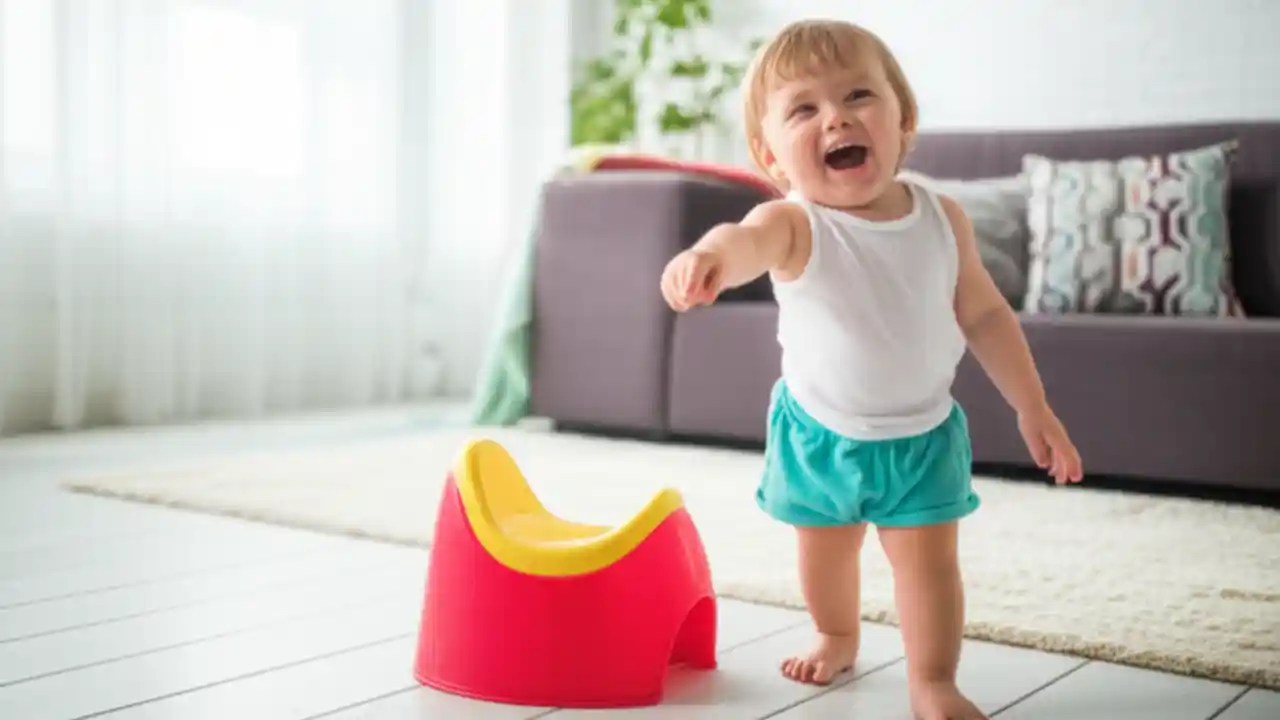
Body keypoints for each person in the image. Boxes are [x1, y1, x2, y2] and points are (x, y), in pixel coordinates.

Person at [658, 18, 1084, 720]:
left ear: (902, 119)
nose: (837, 118)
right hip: (819, 432)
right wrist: (708, 258)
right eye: (804, 108)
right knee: (825, 560)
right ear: (771, 155)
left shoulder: (943, 217)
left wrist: (1031, 406)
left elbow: (983, 315)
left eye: (858, 95)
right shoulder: (794, 223)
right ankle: (836, 633)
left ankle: (934, 682)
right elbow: (742, 241)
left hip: (921, 436)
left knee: (929, 569)